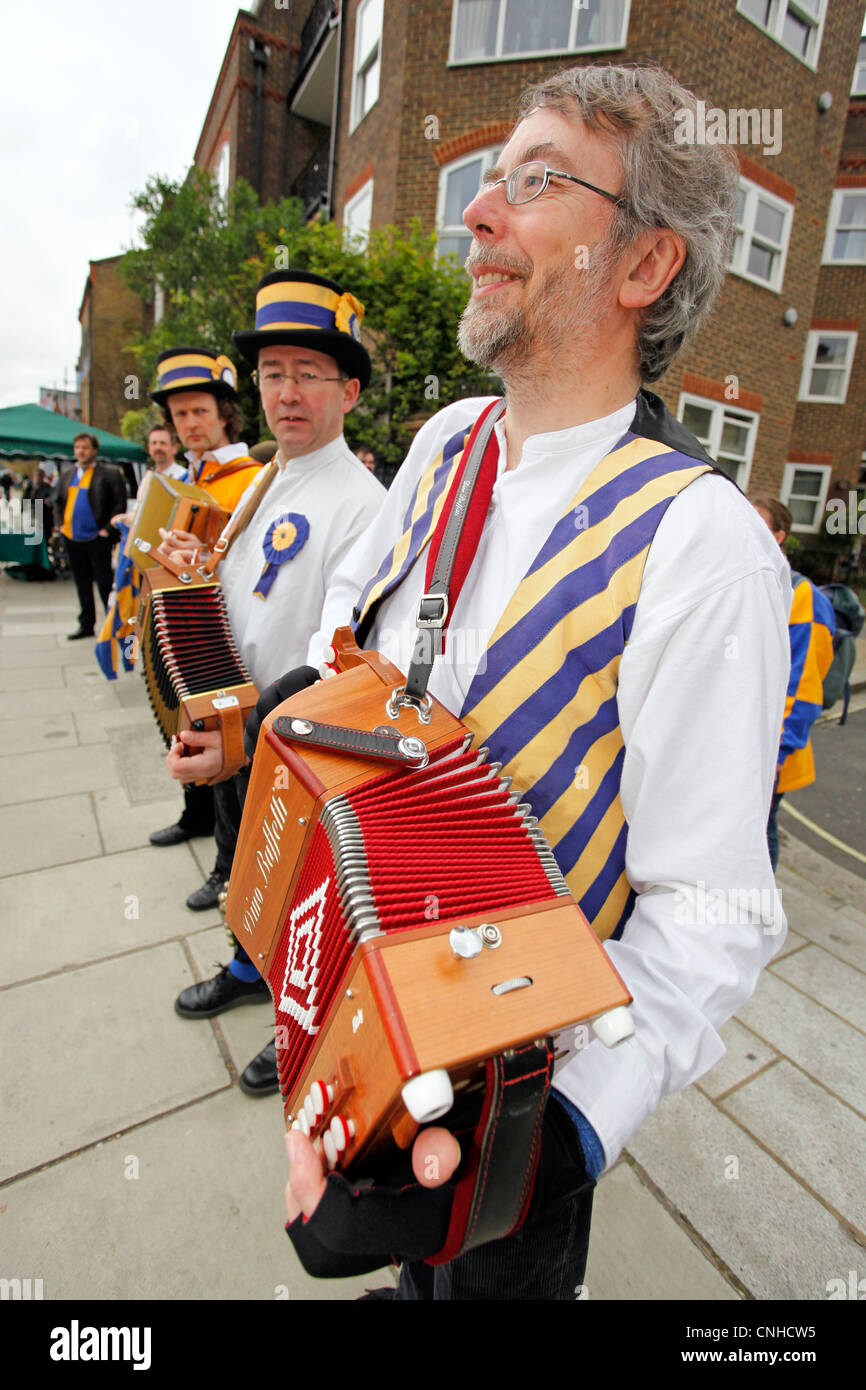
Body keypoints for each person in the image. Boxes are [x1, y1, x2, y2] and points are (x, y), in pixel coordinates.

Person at [244, 63, 795, 1299]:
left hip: (520, 1095)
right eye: (489, 180)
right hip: (379, 1015)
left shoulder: (703, 551)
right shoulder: (444, 441)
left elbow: (711, 909)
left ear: (644, 266)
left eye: (534, 182)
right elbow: (361, 644)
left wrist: (547, 1148)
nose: (477, 213)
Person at [160, 270, 385, 1094]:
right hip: (236, 726)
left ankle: (298, 1031)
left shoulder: (365, 503)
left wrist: (253, 739)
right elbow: (241, 591)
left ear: (349, 390)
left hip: (289, 740)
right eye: (272, 374)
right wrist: (194, 571)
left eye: (309, 374)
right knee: (238, 870)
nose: (286, 393)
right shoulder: (263, 476)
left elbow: (338, 648)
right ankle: (246, 972)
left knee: (297, 894)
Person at [145, 351, 262, 873]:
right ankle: (193, 817)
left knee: (230, 765)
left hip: (222, 640)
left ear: (224, 415)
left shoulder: (251, 479)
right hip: (180, 626)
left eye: (199, 412)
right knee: (184, 732)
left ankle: (224, 870)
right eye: (179, 416)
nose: (188, 425)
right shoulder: (185, 478)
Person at [751, 496, 835, 871]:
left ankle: (757, 918)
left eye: (758, 525)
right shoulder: (754, 583)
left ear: (779, 536)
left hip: (773, 751)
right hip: (745, 744)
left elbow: (804, 687)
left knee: (760, 832)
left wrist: (779, 753)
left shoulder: (804, 597)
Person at [54, 434, 127, 640]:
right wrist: (61, 525)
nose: (80, 451)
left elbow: (118, 505)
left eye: (85, 447)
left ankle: (113, 625)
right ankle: (86, 625)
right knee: (82, 583)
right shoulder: (68, 475)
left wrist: (107, 531)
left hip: (97, 538)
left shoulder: (109, 475)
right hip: (72, 537)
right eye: (77, 447)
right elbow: (58, 501)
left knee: (105, 582)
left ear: (94, 450)